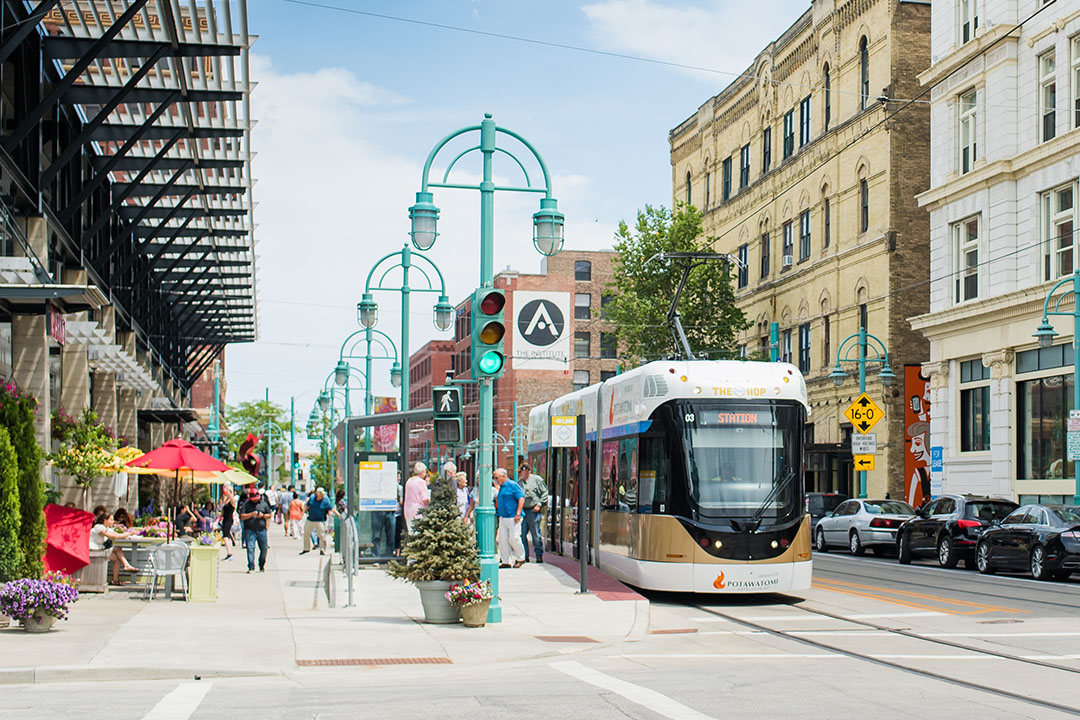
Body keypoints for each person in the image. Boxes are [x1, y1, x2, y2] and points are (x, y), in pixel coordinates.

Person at [90, 510, 139, 585]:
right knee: (117, 548)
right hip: (93, 550)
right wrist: (130, 533)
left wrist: (129, 533)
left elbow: (116, 534)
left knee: (116, 557)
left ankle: (116, 580)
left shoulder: (105, 528)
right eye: (111, 520)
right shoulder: (99, 527)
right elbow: (114, 536)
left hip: (99, 550)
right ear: (105, 520)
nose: (113, 521)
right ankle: (127, 565)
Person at [493, 468, 526, 568]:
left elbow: (521, 498)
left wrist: (518, 513)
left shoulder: (512, 485)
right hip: (503, 517)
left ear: (504, 476)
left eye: (497, 477)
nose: (495, 480)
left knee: (514, 538)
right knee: (503, 540)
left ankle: (521, 557)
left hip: (513, 516)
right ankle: (506, 561)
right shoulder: (501, 487)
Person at [517, 463, 549, 563]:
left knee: (535, 534)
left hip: (533, 511)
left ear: (527, 471)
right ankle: (525, 556)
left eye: (521, 472)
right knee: (522, 534)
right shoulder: (519, 483)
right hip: (523, 511)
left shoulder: (537, 480)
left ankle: (539, 555)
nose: (520, 474)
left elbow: (545, 493)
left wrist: (539, 504)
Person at [238, 484, 272, 573]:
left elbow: (269, 515)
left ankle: (261, 564)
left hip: (261, 530)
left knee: (264, 548)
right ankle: (251, 566)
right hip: (250, 530)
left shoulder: (263, 504)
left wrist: (263, 515)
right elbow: (241, 516)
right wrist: (251, 514)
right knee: (250, 548)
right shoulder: (246, 504)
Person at [300, 487, 338, 556]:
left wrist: (339, 515)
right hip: (310, 519)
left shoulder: (325, 500)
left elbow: (331, 509)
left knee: (322, 535)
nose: (323, 495)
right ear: (317, 494)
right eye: (321, 494)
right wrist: (302, 513)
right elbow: (307, 506)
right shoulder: (312, 498)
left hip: (320, 520)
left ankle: (322, 550)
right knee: (306, 533)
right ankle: (306, 548)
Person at [403, 462, 431, 533]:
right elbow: (425, 499)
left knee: (411, 531)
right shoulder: (421, 482)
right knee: (418, 532)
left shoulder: (409, 481)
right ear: (423, 472)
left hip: (408, 509)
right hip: (418, 510)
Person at [219, 487, 236, 561]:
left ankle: (230, 553)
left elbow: (232, 501)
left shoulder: (232, 501)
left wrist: (228, 493)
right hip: (225, 519)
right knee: (227, 537)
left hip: (228, 520)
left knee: (225, 536)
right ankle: (229, 552)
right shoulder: (225, 501)